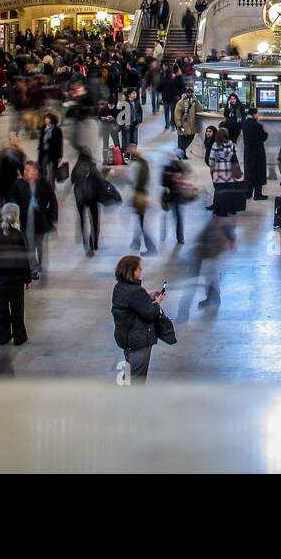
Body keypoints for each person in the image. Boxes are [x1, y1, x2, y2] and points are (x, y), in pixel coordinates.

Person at [111, 254, 164, 382]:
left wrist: (148, 296)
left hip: (125, 337)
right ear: (132, 271)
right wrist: (157, 302)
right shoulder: (135, 291)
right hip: (138, 339)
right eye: (139, 268)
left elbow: (133, 303)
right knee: (136, 378)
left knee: (130, 373)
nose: (141, 270)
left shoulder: (119, 287)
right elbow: (150, 313)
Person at [0, 203, 31, 345]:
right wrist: (27, 278)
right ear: (15, 217)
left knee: (2, 305)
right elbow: (24, 258)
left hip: (0, 276)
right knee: (17, 306)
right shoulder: (18, 235)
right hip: (16, 276)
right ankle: (19, 336)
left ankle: (3, 335)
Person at [11, 160, 58, 278]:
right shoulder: (18, 184)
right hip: (26, 221)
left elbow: (53, 200)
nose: (25, 172)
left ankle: (40, 264)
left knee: (40, 245)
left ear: (35, 172)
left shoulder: (44, 184)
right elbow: (11, 198)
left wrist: (53, 216)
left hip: (41, 221)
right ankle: (33, 270)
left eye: (28, 170)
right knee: (29, 246)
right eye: (25, 170)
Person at [71, 145, 102, 255]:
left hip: (79, 197)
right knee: (94, 220)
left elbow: (72, 179)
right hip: (91, 196)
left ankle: (85, 242)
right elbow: (100, 179)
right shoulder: (92, 166)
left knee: (82, 219)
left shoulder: (77, 166)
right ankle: (94, 242)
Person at [241, 108, 268, 201]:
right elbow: (263, 136)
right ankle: (257, 194)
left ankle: (248, 193)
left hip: (248, 151)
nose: (258, 116)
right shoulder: (257, 125)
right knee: (258, 173)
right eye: (257, 114)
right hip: (258, 152)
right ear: (254, 114)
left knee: (249, 172)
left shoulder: (244, 124)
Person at [174, 88, 199, 158]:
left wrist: (196, 101)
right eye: (188, 92)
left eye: (191, 93)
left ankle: (180, 151)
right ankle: (182, 154)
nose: (189, 94)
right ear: (186, 93)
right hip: (183, 123)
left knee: (191, 136)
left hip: (191, 124)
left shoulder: (194, 101)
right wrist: (178, 123)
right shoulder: (181, 102)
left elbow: (200, 109)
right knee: (181, 138)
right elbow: (177, 113)